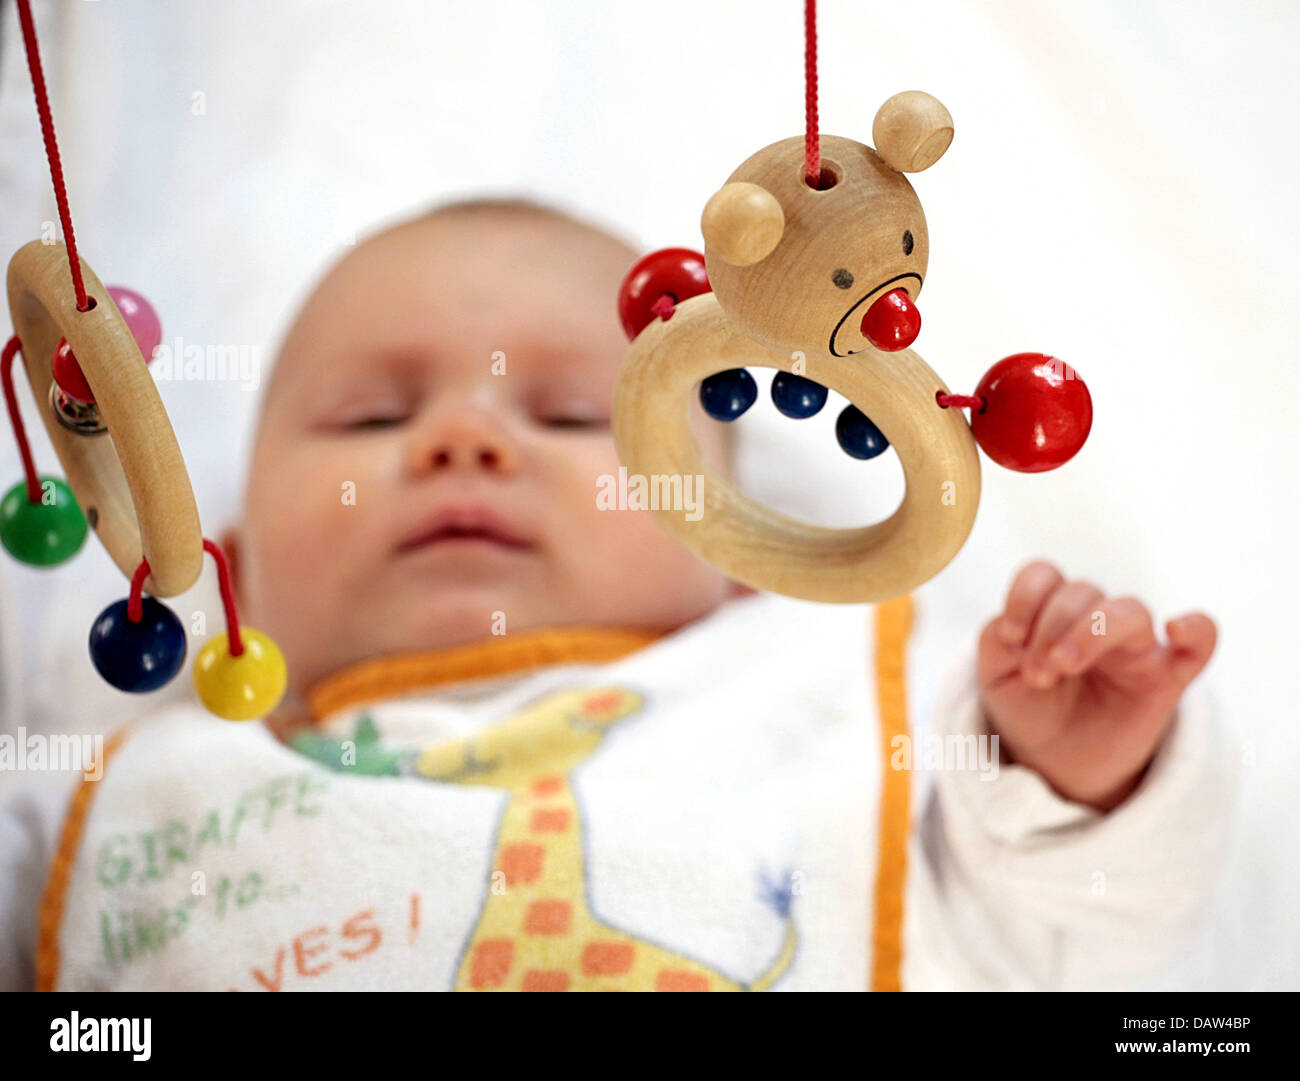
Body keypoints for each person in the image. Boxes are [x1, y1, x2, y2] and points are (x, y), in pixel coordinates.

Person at [0, 198, 1234, 991]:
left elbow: (1095, 933)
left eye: (573, 414)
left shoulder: (864, 709)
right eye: (371, 415)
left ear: (736, 536)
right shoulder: (124, 804)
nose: (463, 440)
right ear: (221, 555)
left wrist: (1081, 782)